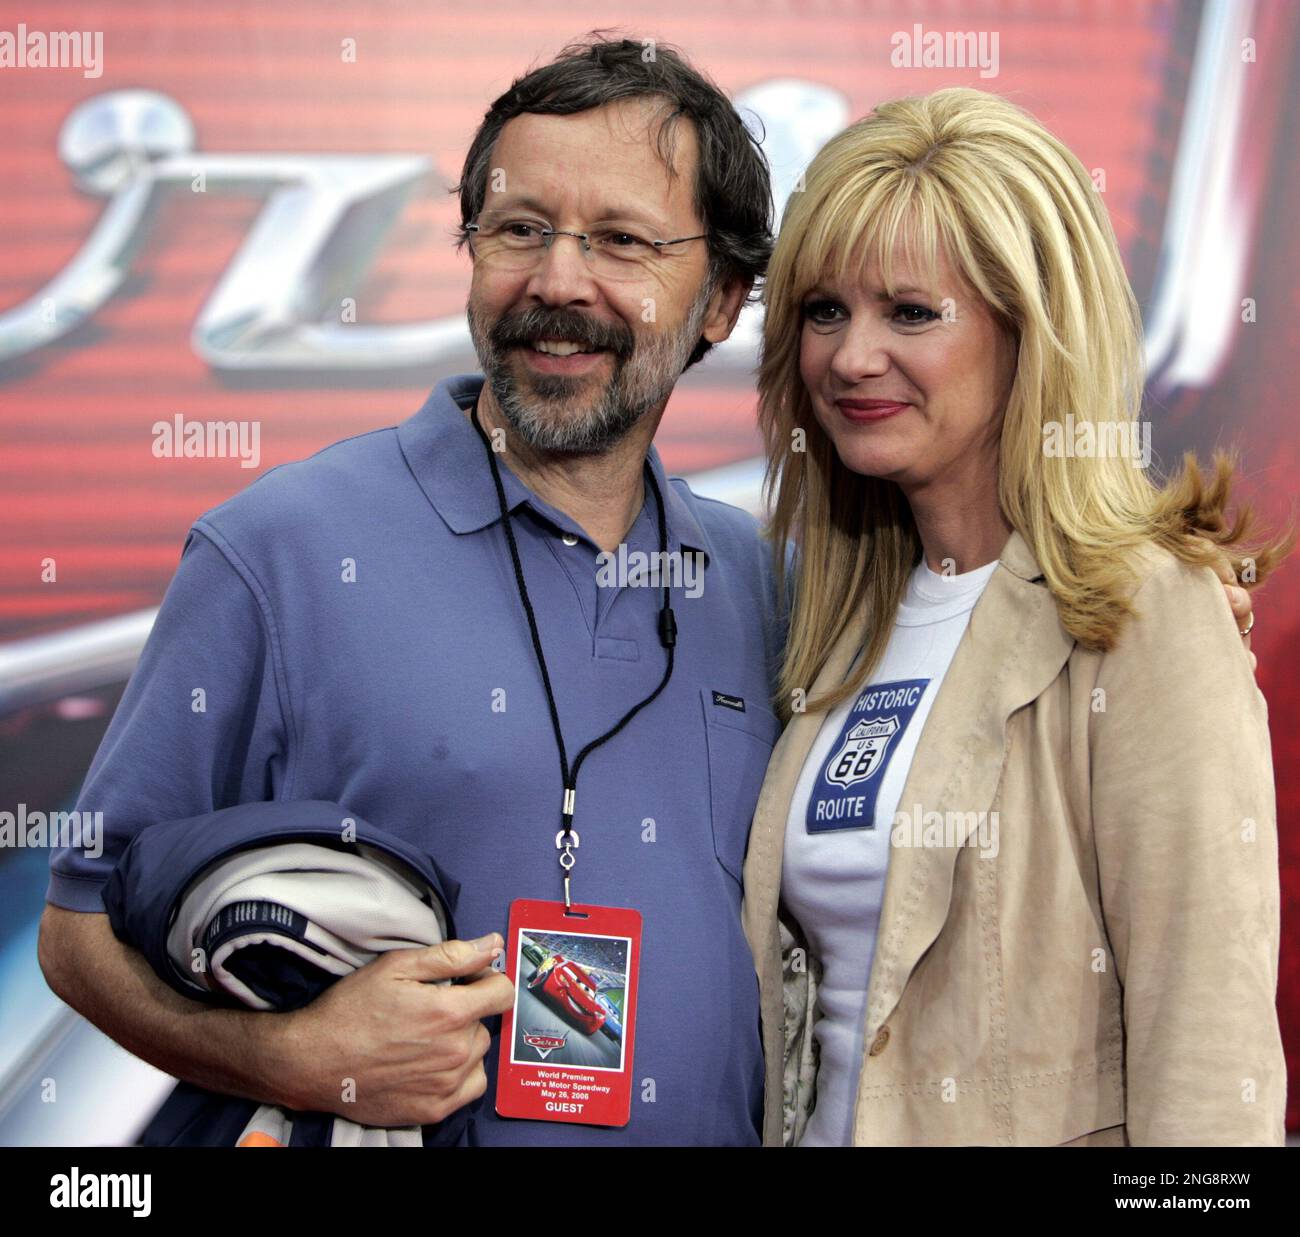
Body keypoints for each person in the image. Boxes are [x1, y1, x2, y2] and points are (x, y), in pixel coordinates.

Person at [37, 36, 782, 1147]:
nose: (558, 282)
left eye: (621, 241)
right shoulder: (278, 548)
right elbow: (76, 930)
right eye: (518, 229)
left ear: (721, 298)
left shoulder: (766, 584)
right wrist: (293, 1059)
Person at [741, 86, 1287, 1147]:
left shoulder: (1148, 611)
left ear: (1029, 330)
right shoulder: (826, 612)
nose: (850, 358)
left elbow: (1209, 1062)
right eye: (822, 310)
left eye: (910, 312)